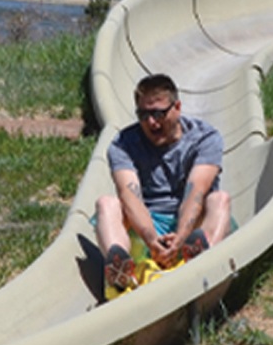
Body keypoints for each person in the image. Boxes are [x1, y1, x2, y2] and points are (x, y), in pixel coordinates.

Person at [95, 73, 232, 294]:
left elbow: (197, 191)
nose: (151, 122)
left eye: (158, 113)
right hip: (146, 225)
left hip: (192, 225)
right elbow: (129, 195)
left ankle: (202, 262)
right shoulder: (123, 144)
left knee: (220, 199)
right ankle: (121, 271)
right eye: (143, 115)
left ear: (177, 107)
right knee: (106, 204)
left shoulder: (205, 138)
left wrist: (180, 238)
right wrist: (151, 240)